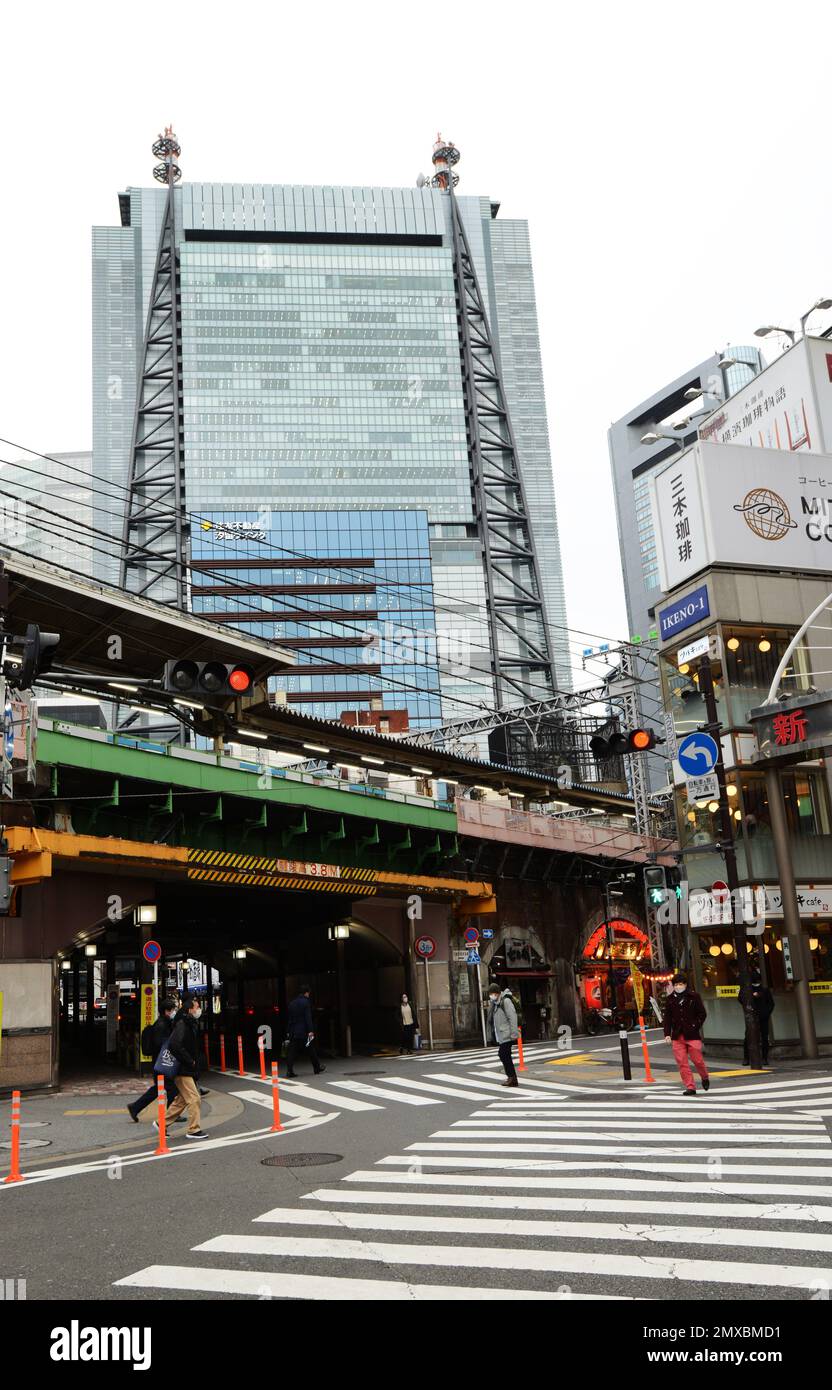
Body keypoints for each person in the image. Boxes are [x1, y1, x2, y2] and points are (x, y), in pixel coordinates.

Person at [127, 998, 182, 1123]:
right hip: (161, 1062)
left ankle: (135, 1107)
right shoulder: (162, 1025)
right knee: (171, 1088)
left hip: (159, 1062)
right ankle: (171, 1115)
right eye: (173, 1010)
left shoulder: (163, 1023)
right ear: (167, 1011)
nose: (174, 1012)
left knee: (159, 1088)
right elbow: (161, 1043)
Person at [163, 994, 207, 1138]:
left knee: (181, 1100)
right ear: (189, 1010)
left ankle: (161, 1123)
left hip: (186, 1068)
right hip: (183, 1068)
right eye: (197, 1007)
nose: (199, 1009)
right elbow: (175, 1045)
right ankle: (193, 1129)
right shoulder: (183, 1024)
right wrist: (190, 1060)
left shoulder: (189, 1023)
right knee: (194, 1098)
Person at [663, 972, 709, 1096]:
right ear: (673, 985)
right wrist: (667, 1034)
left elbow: (702, 1014)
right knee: (682, 1062)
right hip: (677, 1036)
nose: (678, 986)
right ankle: (690, 1087)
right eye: (676, 984)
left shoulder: (694, 996)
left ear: (685, 984)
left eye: (681, 984)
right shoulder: (670, 999)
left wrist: (695, 1025)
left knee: (697, 1060)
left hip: (692, 1034)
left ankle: (704, 1077)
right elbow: (667, 1018)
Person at [284, 986, 326, 1078]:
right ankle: (317, 1067)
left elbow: (290, 1019)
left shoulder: (292, 1003)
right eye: (308, 993)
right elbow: (308, 1018)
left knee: (292, 1051)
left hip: (294, 1031)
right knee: (311, 1049)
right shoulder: (305, 1002)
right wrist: (310, 1030)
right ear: (306, 993)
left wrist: (288, 1031)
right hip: (303, 1031)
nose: (309, 995)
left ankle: (289, 1071)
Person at [486, 981, 520, 1087]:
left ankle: (512, 1078)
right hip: (501, 1035)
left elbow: (512, 1017)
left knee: (503, 1054)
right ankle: (512, 1078)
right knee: (505, 1055)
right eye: (490, 994)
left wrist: (514, 1034)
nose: (492, 996)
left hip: (507, 1034)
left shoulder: (505, 1001)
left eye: (493, 993)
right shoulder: (495, 1004)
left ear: (498, 992)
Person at [740, 974, 775, 1067]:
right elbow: (740, 998)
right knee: (749, 1037)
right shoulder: (748, 989)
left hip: (762, 1017)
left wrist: (766, 1013)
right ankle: (747, 1058)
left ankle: (763, 1058)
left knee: (762, 1037)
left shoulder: (764, 990)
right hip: (752, 1016)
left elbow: (771, 1004)